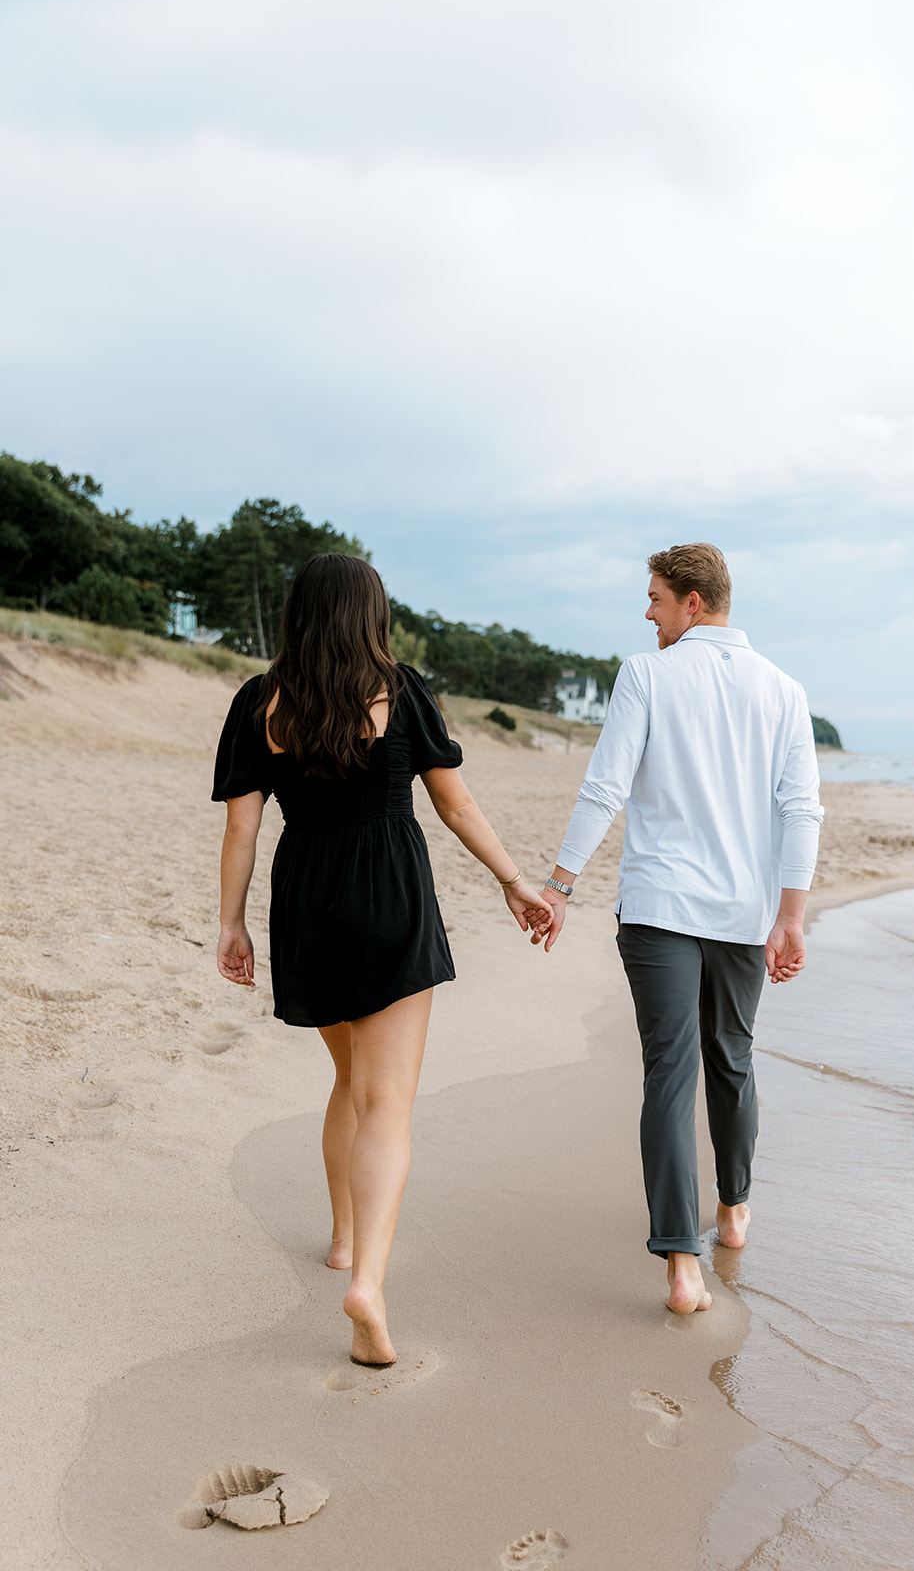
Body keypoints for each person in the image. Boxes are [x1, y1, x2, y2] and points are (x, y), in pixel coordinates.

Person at [212, 553, 553, 1367]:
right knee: (387, 1101)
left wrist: (231, 926)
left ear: (298, 614)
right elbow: (453, 802)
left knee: (348, 1081)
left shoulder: (262, 702)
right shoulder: (400, 691)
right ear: (372, 614)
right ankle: (367, 1280)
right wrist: (513, 881)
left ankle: (339, 1239)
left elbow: (241, 828)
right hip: (389, 890)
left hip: (306, 897)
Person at [539, 543, 822, 1314]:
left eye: (656, 597)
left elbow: (605, 787)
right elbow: (801, 809)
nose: (648, 612)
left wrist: (559, 883)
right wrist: (790, 917)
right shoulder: (784, 691)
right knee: (731, 1057)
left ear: (692, 603)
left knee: (670, 1070)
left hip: (660, 906)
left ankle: (680, 1268)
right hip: (741, 912)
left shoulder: (646, 675)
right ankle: (732, 1209)